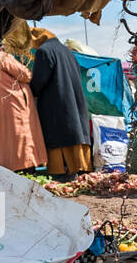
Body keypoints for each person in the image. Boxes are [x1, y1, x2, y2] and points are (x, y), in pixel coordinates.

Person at [29, 27, 92, 180]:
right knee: (73, 133)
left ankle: (63, 172)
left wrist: (31, 91)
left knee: (60, 136)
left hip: (57, 104)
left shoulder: (44, 52)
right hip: (74, 102)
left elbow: (39, 80)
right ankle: (75, 170)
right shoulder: (67, 51)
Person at [0, 42, 47, 173]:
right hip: (14, 104)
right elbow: (24, 74)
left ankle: (11, 170)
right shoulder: (2, 57)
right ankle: (26, 169)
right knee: (21, 138)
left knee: (5, 140)